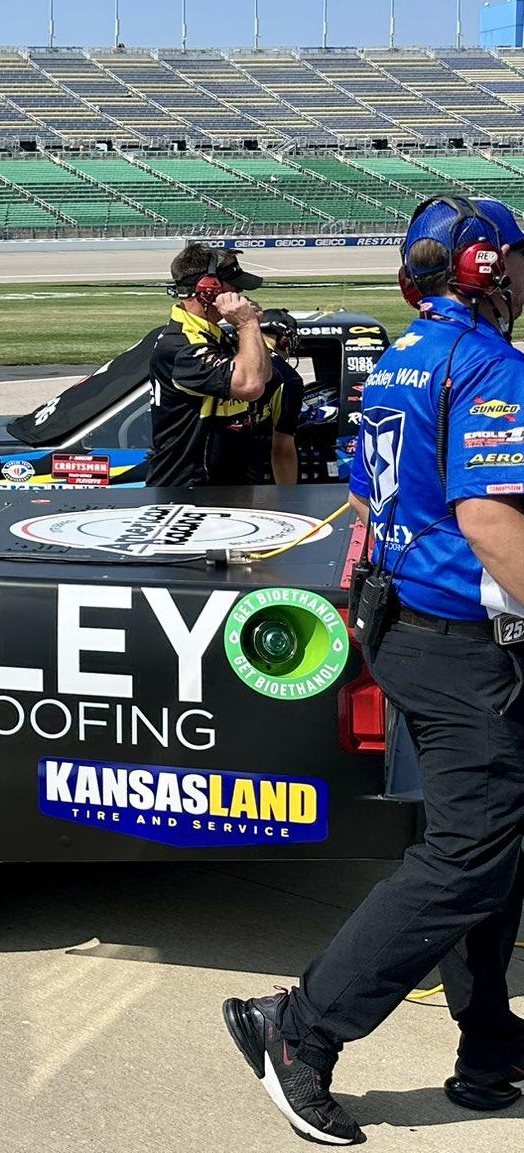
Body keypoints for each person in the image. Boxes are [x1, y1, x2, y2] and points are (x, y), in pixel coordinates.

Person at [223, 195, 524, 1144]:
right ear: (486, 268)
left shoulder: (398, 355)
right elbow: (488, 520)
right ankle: (302, 1029)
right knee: (471, 851)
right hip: (460, 641)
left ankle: (487, 1050)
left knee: (488, 842)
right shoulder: (490, 366)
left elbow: (365, 497)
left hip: (405, 627)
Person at [144, 242, 273, 487]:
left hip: (223, 487)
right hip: (188, 492)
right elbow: (251, 386)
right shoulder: (181, 347)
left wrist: (252, 330)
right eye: (233, 286)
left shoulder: (214, 335)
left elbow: (264, 376)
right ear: (208, 289)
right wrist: (246, 326)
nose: (239, 293)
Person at [247, 308, 304, 487]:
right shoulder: (288, 378)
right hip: (243, 468)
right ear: (285, 339)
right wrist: (288, 498)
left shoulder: (227, 354)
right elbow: (282, 449)